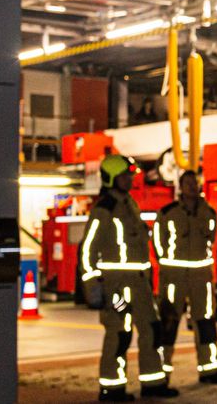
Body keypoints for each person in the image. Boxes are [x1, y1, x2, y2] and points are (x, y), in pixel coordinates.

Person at [80, 155, 179, 401]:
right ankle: (112, 388)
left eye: (130, 175)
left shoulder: (129, 204)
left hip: (139, 283)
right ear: (112, 178)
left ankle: (153, 383)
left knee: (151, 330)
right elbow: (88, 248)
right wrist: (93, 284)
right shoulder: (104, 209)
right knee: (119, 334)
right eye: (125, 175)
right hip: (116, 285)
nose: (130, 179)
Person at [154, 170, 217, 385]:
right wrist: (166, 263)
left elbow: (211, 239)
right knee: (168, 323)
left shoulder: (209, 212)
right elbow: (158, 242)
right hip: (173, 277)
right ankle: (161, 373)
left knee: (205, 323)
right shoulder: (167, 213)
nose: (192, 187)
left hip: (201, 277)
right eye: (187, 183)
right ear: (181, 186)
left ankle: (210, 370)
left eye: (194, 183)